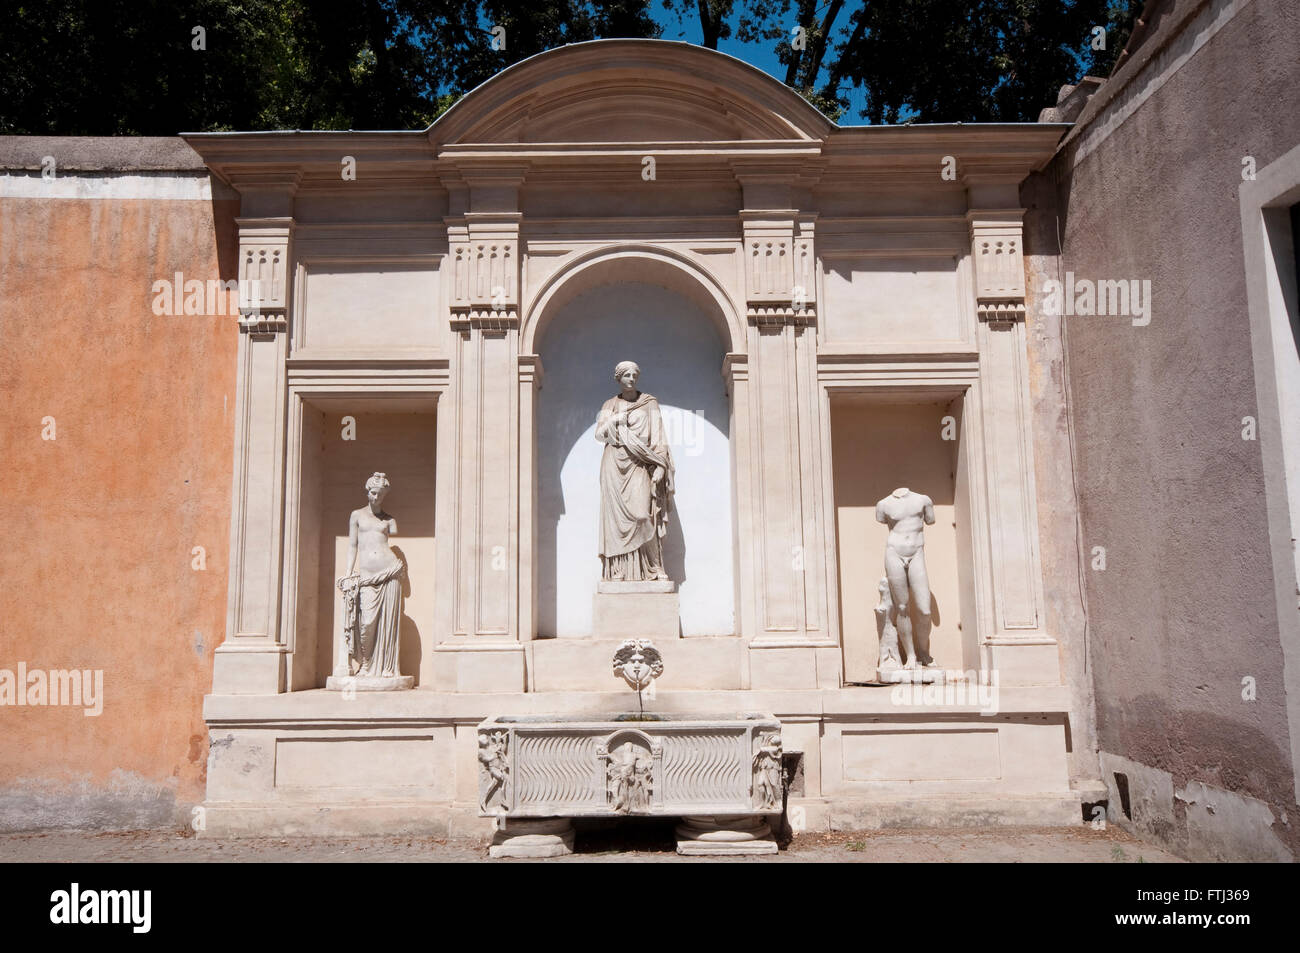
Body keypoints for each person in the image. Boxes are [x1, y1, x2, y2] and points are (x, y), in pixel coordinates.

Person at [594, 360, 675, 581]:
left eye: (634, 375)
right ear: (618, 378)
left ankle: (654, 567)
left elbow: (659, 437)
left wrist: (660, 465)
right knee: (616, 523)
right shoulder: (609, 405)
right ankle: (618, 571)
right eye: (627, 375)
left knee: (643, 515)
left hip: (640, 464)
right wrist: (613, 421)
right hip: (614, 464)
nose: (631, 378)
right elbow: (599, 435)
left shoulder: (649, 403)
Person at [337, 472, 406, 678]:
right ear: (367, 492)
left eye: (380, 495)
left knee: (387, 624)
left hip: (390, 572)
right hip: (367, 576)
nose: (376, 497)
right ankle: (366, 664)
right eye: (373, 493)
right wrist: (348, 574)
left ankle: (387, 668)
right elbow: (352, 546)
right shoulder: (357, 515)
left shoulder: (389, 520)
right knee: (366, 622)